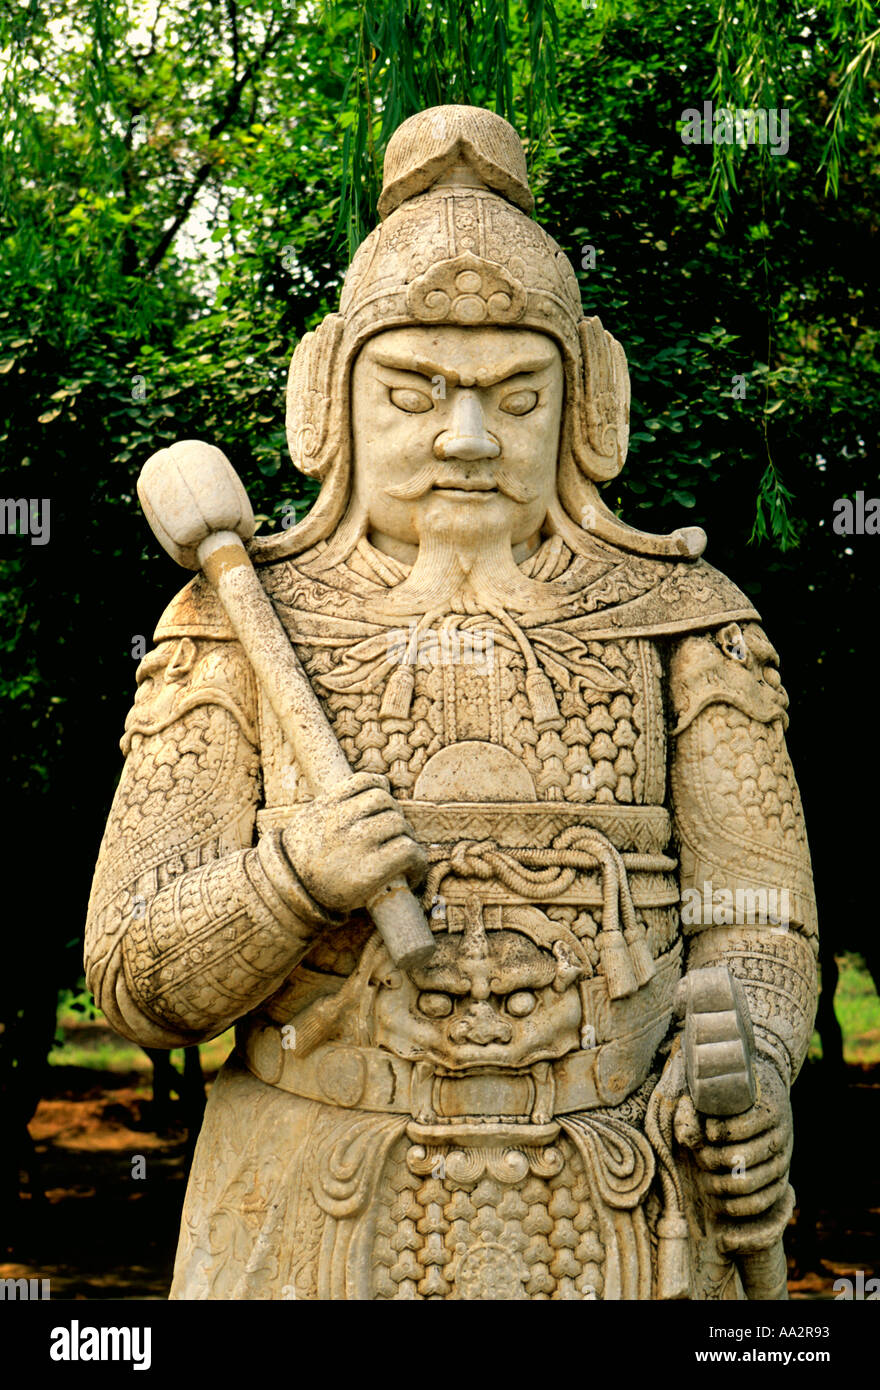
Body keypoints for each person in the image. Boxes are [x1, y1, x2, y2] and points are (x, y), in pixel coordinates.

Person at [85, 104, 817, 1300]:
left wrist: (754, 1065)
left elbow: (757, 920)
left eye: (516, 395)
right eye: (417, 392)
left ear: (588, 403)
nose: (467, 438)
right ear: (331, 397)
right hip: (311, 1203)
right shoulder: (236, 623)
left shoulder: (685, 622)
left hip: (625, 1201)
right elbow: (129, 974)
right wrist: (287, 883)